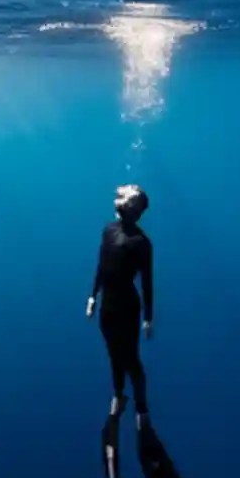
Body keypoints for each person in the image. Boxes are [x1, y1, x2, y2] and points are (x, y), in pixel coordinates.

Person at [86, 184, 154, 430]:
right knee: (114, 353)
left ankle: (141, 406)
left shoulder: (141, 242)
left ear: (136, 210)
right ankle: (118, 393)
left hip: (127, 307)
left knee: (131, 358)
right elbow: (102, 265)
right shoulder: (109, 231)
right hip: (108, 305)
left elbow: (147, 281)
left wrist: (148, 317)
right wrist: (93, 297)